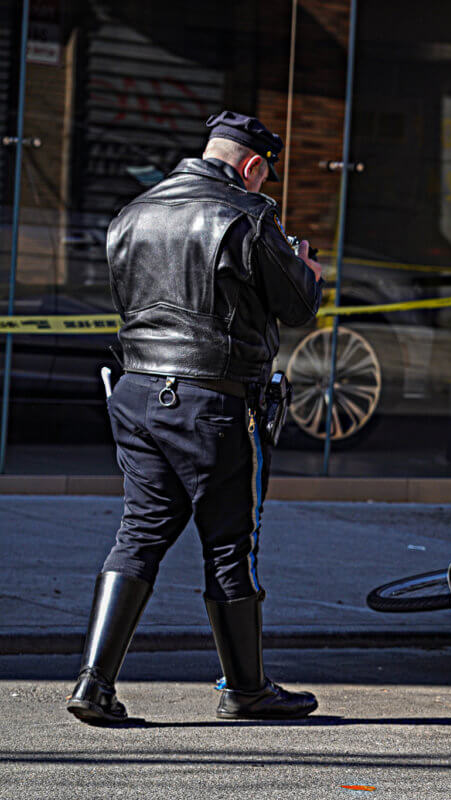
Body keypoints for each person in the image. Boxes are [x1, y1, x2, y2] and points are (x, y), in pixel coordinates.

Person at [67, 111, 324, 725]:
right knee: (232, 544)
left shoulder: (133, 211)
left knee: (141, 531)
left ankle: (93, 684)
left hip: (136, 394)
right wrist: (308, 272)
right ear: (253, 165)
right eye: (264, 177)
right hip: (214, 402)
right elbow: (295, 306)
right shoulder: (246, 213)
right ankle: (246, 690)